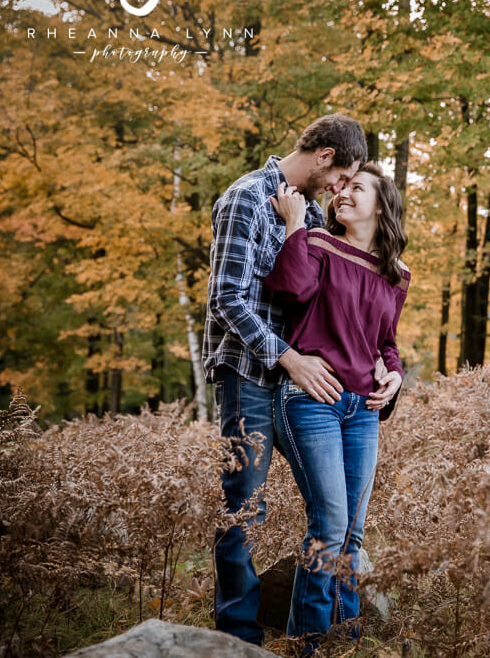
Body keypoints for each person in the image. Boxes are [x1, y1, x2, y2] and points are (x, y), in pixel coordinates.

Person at [203, 114, 372, 646]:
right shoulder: (246, 198)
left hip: (301, 392)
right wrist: (289, 358)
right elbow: (227, 297)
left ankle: (329, 632)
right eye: (343, 178)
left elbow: (332, 299)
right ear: (324, 156)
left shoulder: (314, 215)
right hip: (250, 376)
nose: (340, 190)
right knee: (245, 505)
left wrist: (382, 368)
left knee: (333, 513)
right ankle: (238, 637)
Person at [263, 161, 408, 647]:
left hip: (363, 410)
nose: (342, 192)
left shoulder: (397, 274)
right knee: (330, 522)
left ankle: (346, 644)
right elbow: (290, 288)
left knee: (353, 533)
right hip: (311, 400)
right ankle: (305, 645)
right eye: (342, 186)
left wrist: (394, 376)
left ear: (382, 206)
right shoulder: (319, 244)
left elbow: (385, 342)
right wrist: (294, 227)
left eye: (357, 187)